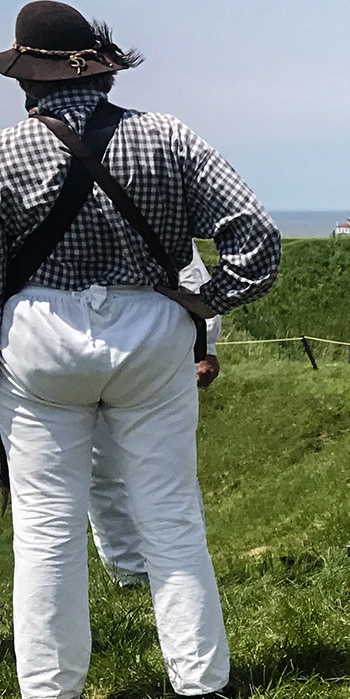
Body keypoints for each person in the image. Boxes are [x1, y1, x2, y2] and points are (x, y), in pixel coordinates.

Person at [0, 1, 280, 699]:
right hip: (151, 327)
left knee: (47, 524)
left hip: (42, 336)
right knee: (171, 514)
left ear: (28, 80)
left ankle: (52, 695)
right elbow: (257, 239)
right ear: (104, 73)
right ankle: (201, 682)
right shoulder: (169, 137)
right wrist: (205, 304)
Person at [89, 245, 222, 587]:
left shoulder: (154, 198)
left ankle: (183, 563)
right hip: (79, 351)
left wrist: (206, 348)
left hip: (152, 352)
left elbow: (192, 278)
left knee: (168, 466)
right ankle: (129, 571)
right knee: (100, 471)